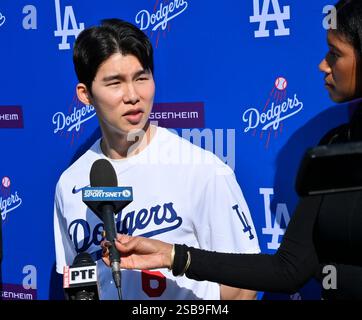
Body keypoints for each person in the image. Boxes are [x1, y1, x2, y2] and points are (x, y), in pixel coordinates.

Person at [102, 0, 362, 300]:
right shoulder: (334, 145)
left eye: (335, 53)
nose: (323, 64)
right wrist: (172, 255)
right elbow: (289, 269)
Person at [53, 18, 261, 300]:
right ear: (85, 94)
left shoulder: (202, 170)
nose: (133, 95)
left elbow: (244, 286)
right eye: (115, 83)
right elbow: (76, 284)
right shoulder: (70, 184)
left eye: (141, 78)